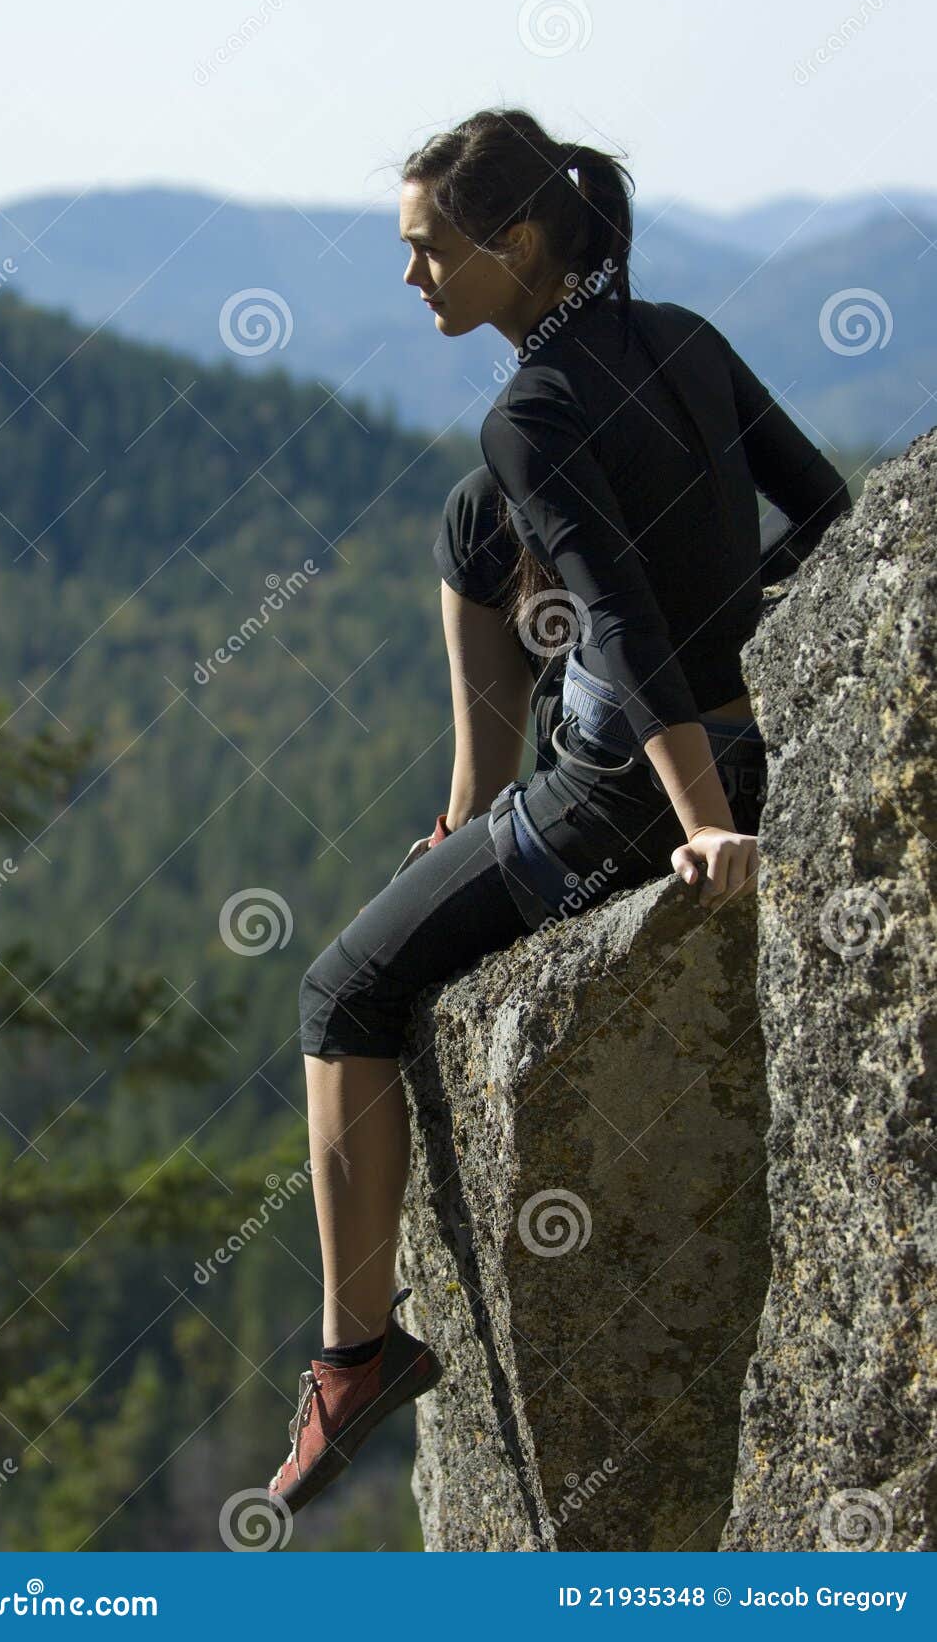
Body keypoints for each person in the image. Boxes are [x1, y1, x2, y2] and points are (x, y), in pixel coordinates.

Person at [266, 107, 852, 1516]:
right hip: (734, 734)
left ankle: (353, 1358)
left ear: (520, 243)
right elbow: (827, 507)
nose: (412, 276)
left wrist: (697, 819)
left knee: (342, 990)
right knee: (475, 525)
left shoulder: (529, 414)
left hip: (624, 793)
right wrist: (745, 638)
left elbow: (625, 623)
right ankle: (470, 804)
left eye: (430, 249)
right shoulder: (686, 339)